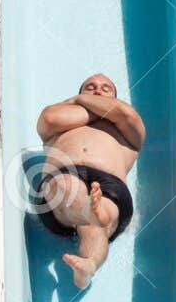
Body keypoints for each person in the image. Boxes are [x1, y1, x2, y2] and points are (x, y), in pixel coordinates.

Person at [33, 73, 145, 288]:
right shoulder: (59, 123)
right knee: (70, 189)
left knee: (98, 219)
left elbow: (126, 115)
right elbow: (50, 118)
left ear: (116, 97)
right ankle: (89, 212)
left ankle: (88, 265)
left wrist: (82, 102)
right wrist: (102, 111)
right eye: (90, 87)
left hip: (110, 184)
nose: (98, 90)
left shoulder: (128, 131)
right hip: (63, 175)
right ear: (77, 96)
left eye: (106, 89)